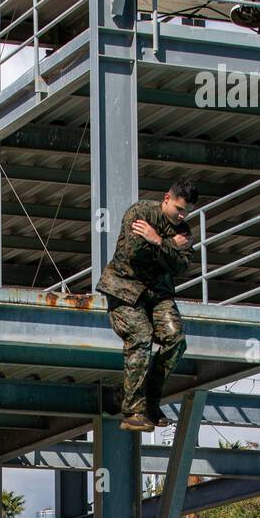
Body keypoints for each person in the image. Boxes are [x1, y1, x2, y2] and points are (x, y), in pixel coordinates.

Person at [97, 178, 198, 432]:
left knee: (176, 340)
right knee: (141, 336)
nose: (181, 215)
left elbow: (182, 266)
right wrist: (168, 245)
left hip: (157, 294)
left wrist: (157, 241)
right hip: (125, 289)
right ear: (167, 198)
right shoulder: (141, 213)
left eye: (186, 211)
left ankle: (150, 400)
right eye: (178, 209)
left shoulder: (183, 231)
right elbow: (134, 253)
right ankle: (132, 409)